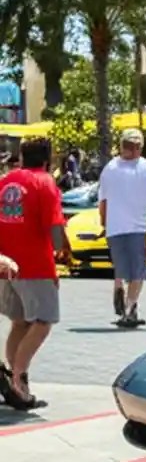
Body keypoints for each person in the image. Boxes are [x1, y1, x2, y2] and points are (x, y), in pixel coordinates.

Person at [0, 137, 70, 409]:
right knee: (43, 321)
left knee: (19, 322)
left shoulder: (5, 181)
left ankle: (10, 375)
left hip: (6, 266)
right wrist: (61, 253)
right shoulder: (45, 182)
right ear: (47, 160)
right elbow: (54, 227)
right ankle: (19, 381)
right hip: (35, 265)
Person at [99, 129, 146, 327]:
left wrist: (104, 223)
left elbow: (103, 202)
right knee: (137, 271)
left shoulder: (109, 169)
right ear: (140, 147)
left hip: (115, 228)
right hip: (137, 227)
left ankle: (119, 285)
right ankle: (129, 309)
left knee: (121, 265)